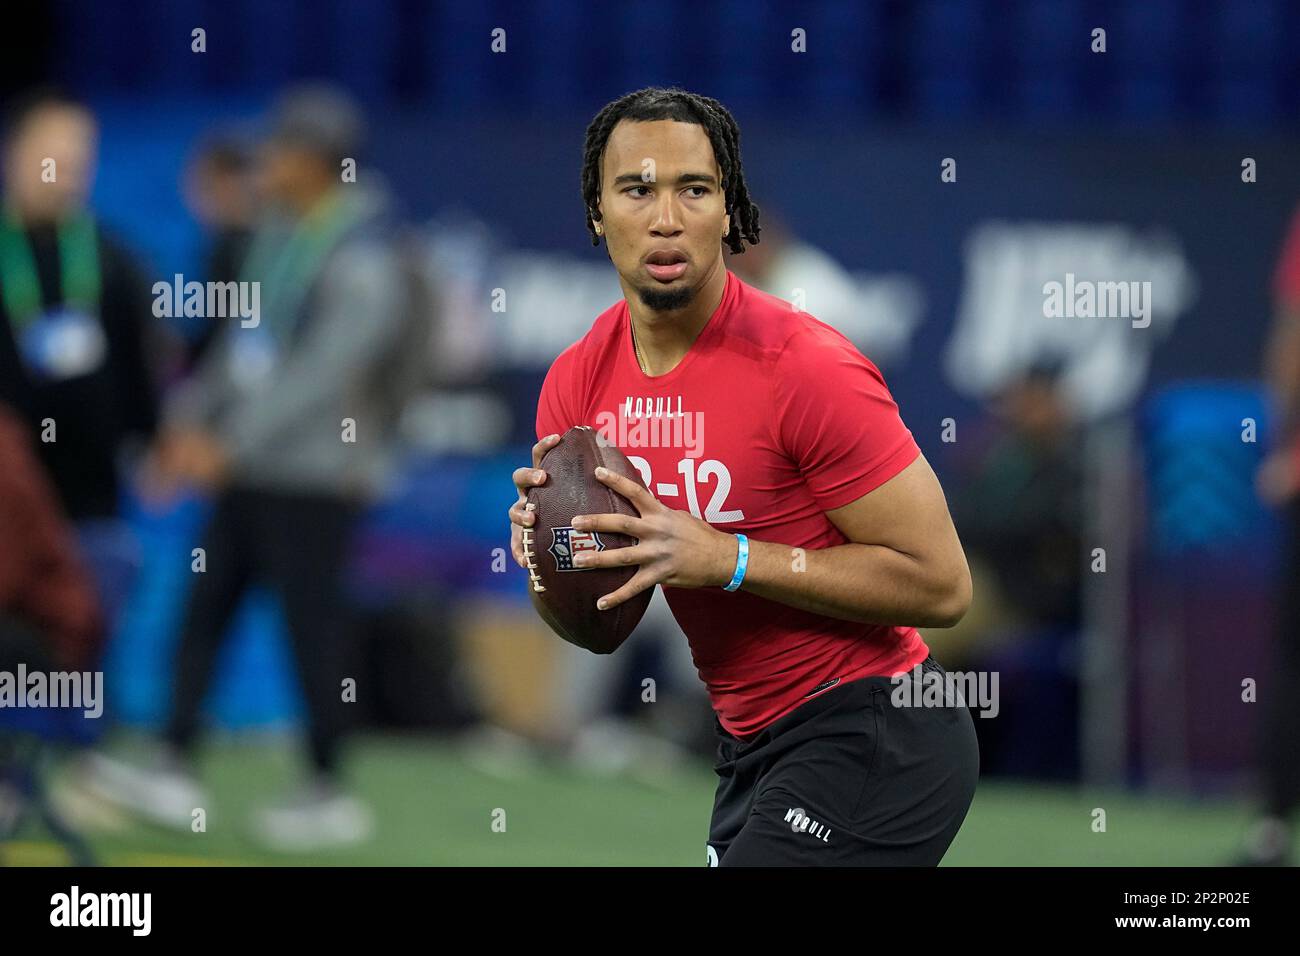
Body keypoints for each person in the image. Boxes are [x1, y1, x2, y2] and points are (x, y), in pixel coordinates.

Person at [507, 87, 978, 866]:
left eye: (694, 189)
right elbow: (592, 628)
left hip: (879, 732)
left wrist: (726, 558)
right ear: (597, 213)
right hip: (752, 746)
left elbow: (942, 587)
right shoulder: (577, 384)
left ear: (730, 213)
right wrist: (546, 560)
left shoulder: (806, 368)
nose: (667, 217)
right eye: (637, 190)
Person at [86, 85, 427, 852]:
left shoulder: (367, 250)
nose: (267, 162)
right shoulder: (279, 233)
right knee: (204, 610)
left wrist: (226, 444)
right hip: (251, 471)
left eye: (281, 149)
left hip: (316, 479)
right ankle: (173, 763)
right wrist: (185, 425)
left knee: (314, 632)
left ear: (315, 162)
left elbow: (322, 377)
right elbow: (246, 346)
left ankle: (328, 787)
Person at [0, 89, 162, 625]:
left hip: (90, 497)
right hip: (6, 493)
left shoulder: (114, 260)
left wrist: (151, 442)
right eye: (53, 151)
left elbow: (141, 370)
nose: (67, 167)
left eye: (79, 155)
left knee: (80, 636)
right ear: (15, 154)